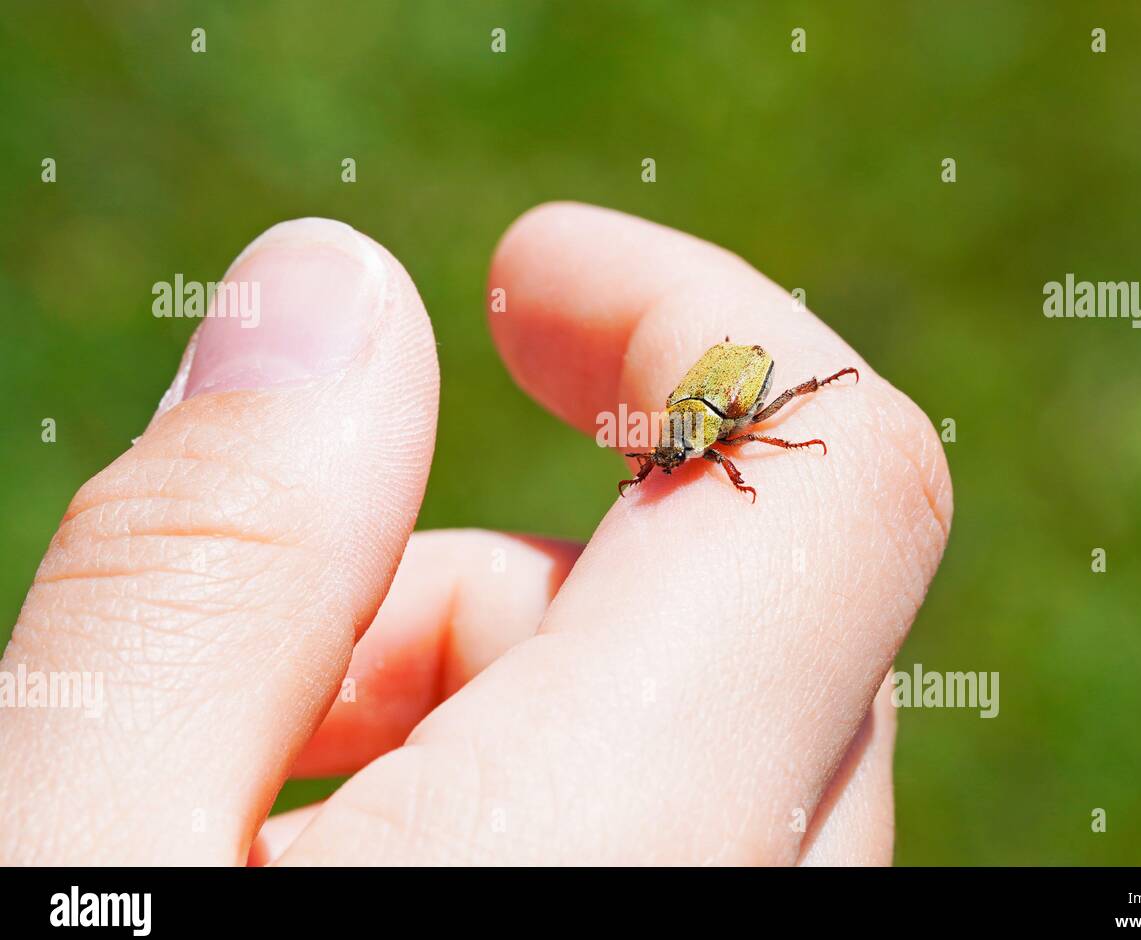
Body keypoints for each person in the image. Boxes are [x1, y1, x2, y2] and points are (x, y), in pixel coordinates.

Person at [0, 203, 952, 865]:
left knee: (776, 425)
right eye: (680, 453)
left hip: (746, 383)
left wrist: (728, 455)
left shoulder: (724, 422)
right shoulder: (680, 432)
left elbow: (737, 428)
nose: (680, 463)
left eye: (688, 453)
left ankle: (816, 400)